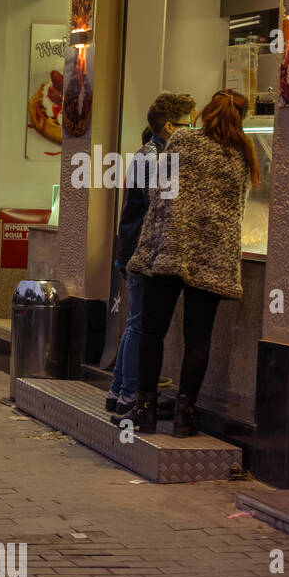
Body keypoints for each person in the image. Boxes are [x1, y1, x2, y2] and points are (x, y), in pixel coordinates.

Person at [122, 89, 259, 436]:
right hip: (212, 257)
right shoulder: (242, 155)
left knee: (152, 331)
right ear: (241, 120)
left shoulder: (183, 141)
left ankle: (145, 411)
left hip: (170, 248)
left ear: (206, 114)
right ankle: (185, 418)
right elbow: (238, 210)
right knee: (198, 339)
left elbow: (158, 193)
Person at [107, 93, 196, 418]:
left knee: (135, 323)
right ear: (170, 126)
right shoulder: (155, 158)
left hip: (131, 248)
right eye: (189, 125)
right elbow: (158, 202)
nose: (193, 131)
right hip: (140, 252)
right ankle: (131, 394)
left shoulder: (149, 153)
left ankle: (119, 392)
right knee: (140, 324)